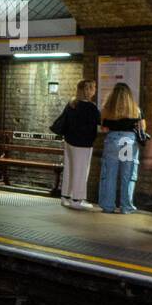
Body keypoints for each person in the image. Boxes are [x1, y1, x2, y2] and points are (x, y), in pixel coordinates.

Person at [97, 82, 144, 214]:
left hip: (112, 141)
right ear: (129, 95)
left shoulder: (107, 109)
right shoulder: (136, 109)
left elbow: (103, 127)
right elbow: (142, 127)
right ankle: (126, 206)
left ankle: (108, 206)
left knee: (110, 174)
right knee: (127, 175)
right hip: (129, 142)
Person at [54, 79, 100, 210]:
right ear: (88, 90)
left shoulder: (72, 104)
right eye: (93, 87)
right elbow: (99, 123)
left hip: (69, 141)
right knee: (81, 171)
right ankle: (77, 200)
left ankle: (65, 197)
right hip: (83, 144)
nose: (94, 90)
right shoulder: (91, 107)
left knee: (69, 170)